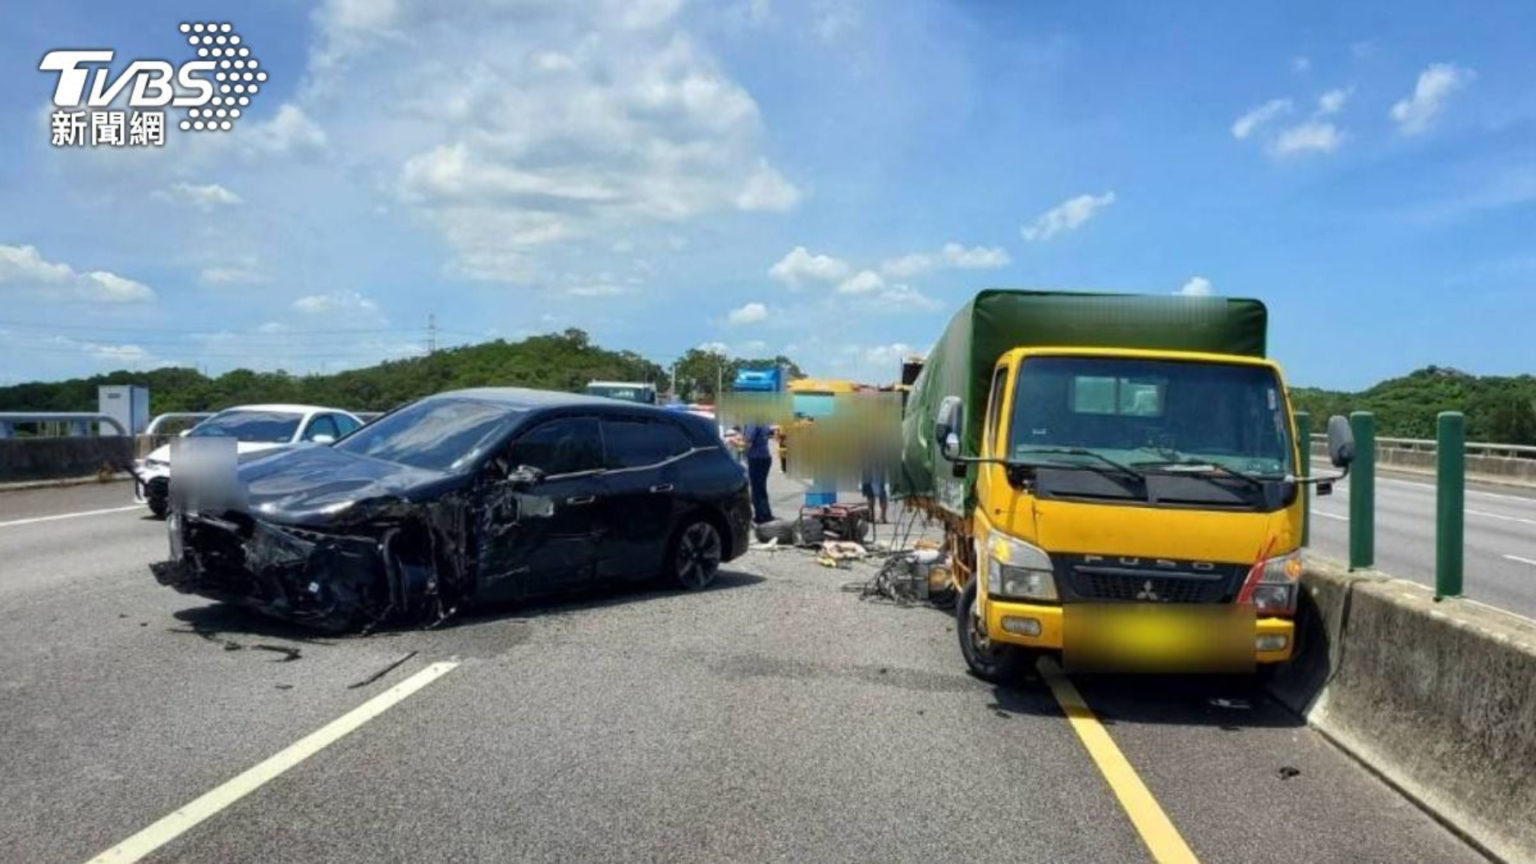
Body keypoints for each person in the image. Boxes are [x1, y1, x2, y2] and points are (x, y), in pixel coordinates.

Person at [743, 421, 774, 524]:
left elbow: (748, 442)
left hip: (756, 458)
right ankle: (766, 514)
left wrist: (736, 444)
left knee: (757, 490)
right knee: (761, 488)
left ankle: (761, 516)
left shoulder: (752, 421)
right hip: (765, 457)